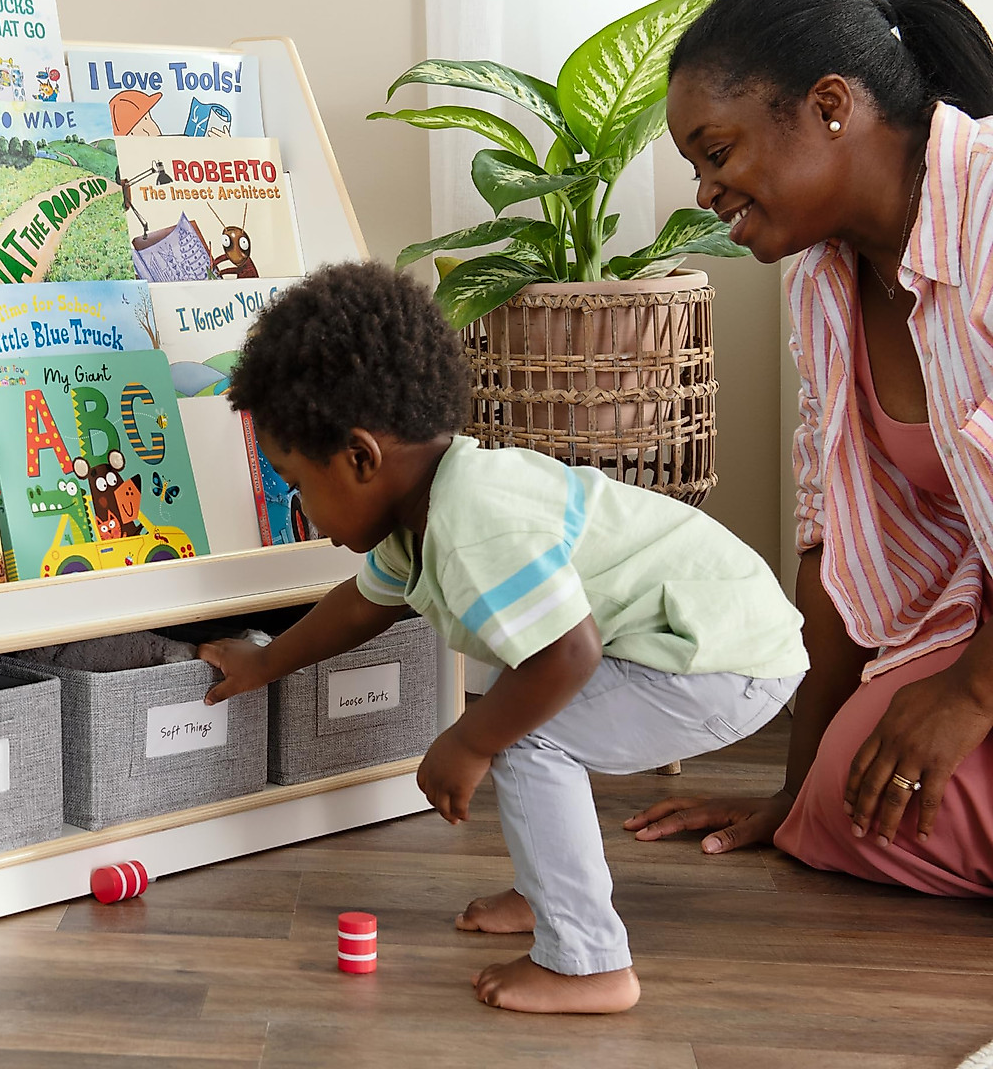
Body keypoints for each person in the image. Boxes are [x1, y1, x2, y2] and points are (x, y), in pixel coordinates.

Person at [196, 261, 808, 1013]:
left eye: (300, 485)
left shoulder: (472, 521)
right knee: (525, 729)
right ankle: (547, 892)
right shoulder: (417, 517)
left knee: (524, 736)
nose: (305, 515)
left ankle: (588, 963)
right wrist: (266, 662)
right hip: (685, 641)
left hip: (720, 657)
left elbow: (567, 654)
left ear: (361, 458)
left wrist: (470, 739)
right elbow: (362, 606)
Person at [627, 0, 993, 897]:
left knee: (901, 790)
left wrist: (969, 696)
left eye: (718, 151)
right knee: (848, 800)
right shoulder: (824, 283)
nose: (708, 191)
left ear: (830, 105)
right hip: (975, 615)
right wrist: (796, 794)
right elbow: (834, 539)